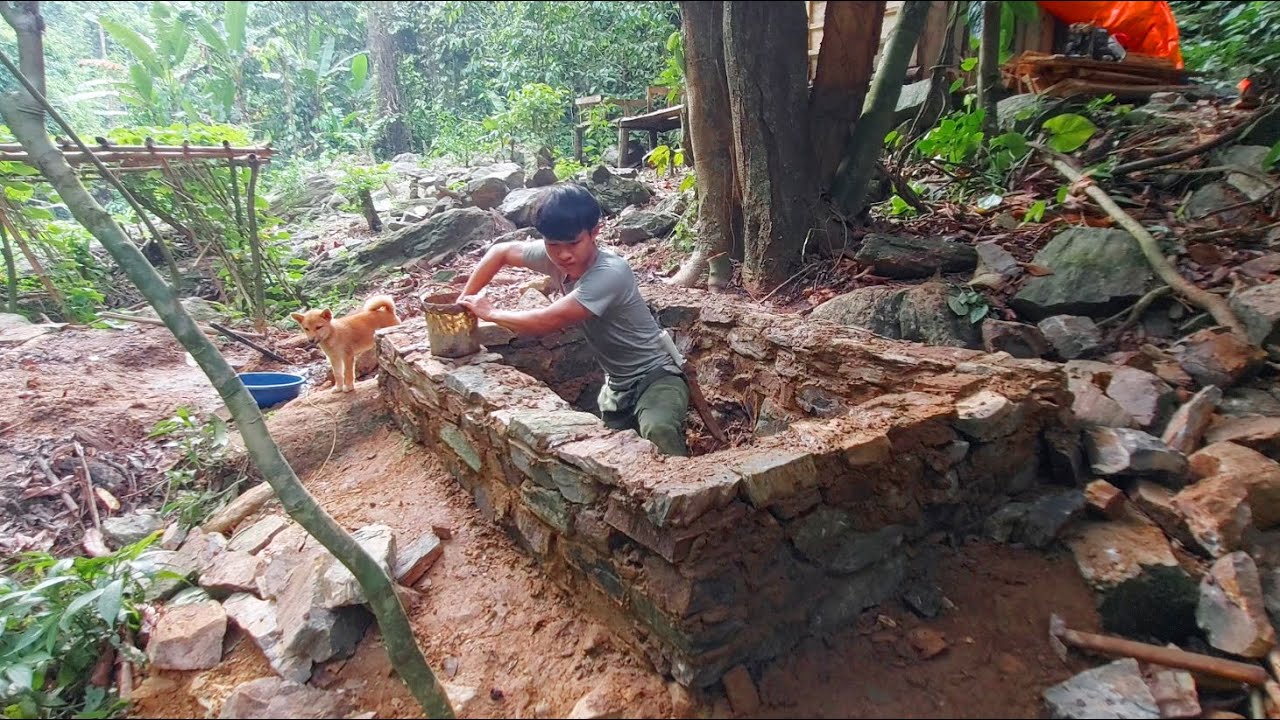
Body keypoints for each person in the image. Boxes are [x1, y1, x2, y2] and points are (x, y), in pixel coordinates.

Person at [457, 183, 690, 456]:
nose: (563, 254)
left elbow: (547, 321)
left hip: (657, 376)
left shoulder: (610, 273)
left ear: (594, 233)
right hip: (617, 386)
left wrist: (490, 313)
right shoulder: (552, 255)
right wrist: (461, 302)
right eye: (553, 244)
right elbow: (500, 253)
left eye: (572, 243)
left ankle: (692, 492)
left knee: (658, 429)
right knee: (618, 456)